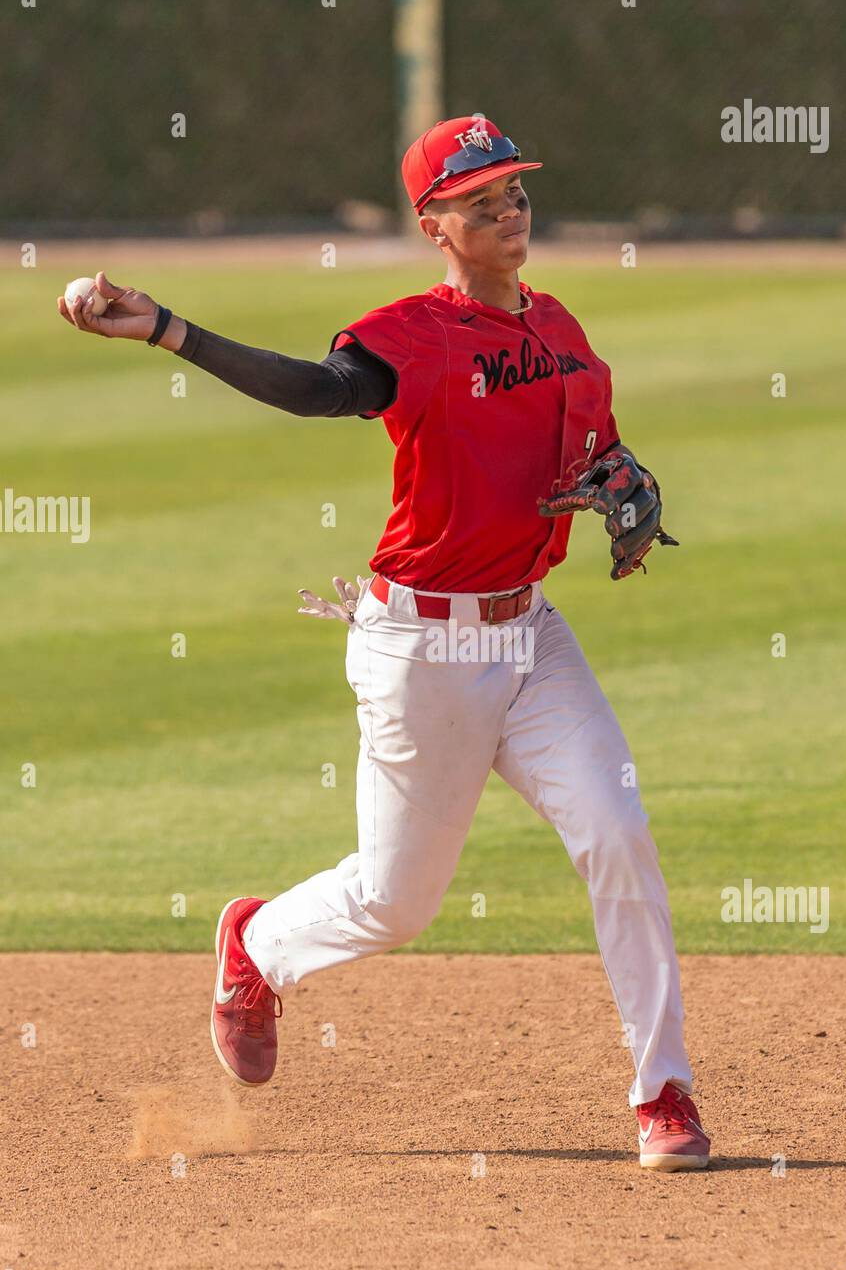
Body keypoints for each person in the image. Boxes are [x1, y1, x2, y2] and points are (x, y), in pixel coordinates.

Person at [58, 114, 710, 1171]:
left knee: (618, 828)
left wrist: (621, 477)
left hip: (533, 636)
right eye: (480, 199)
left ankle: (663, 1088)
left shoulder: (564, 331)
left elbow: (590, 449)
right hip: (423, 647)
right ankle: (256, 945)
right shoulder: (410, 333)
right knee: (397, 901)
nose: (508, 210)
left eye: (515, 192)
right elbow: (324, 390)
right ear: (434, 224)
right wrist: (171, 330)